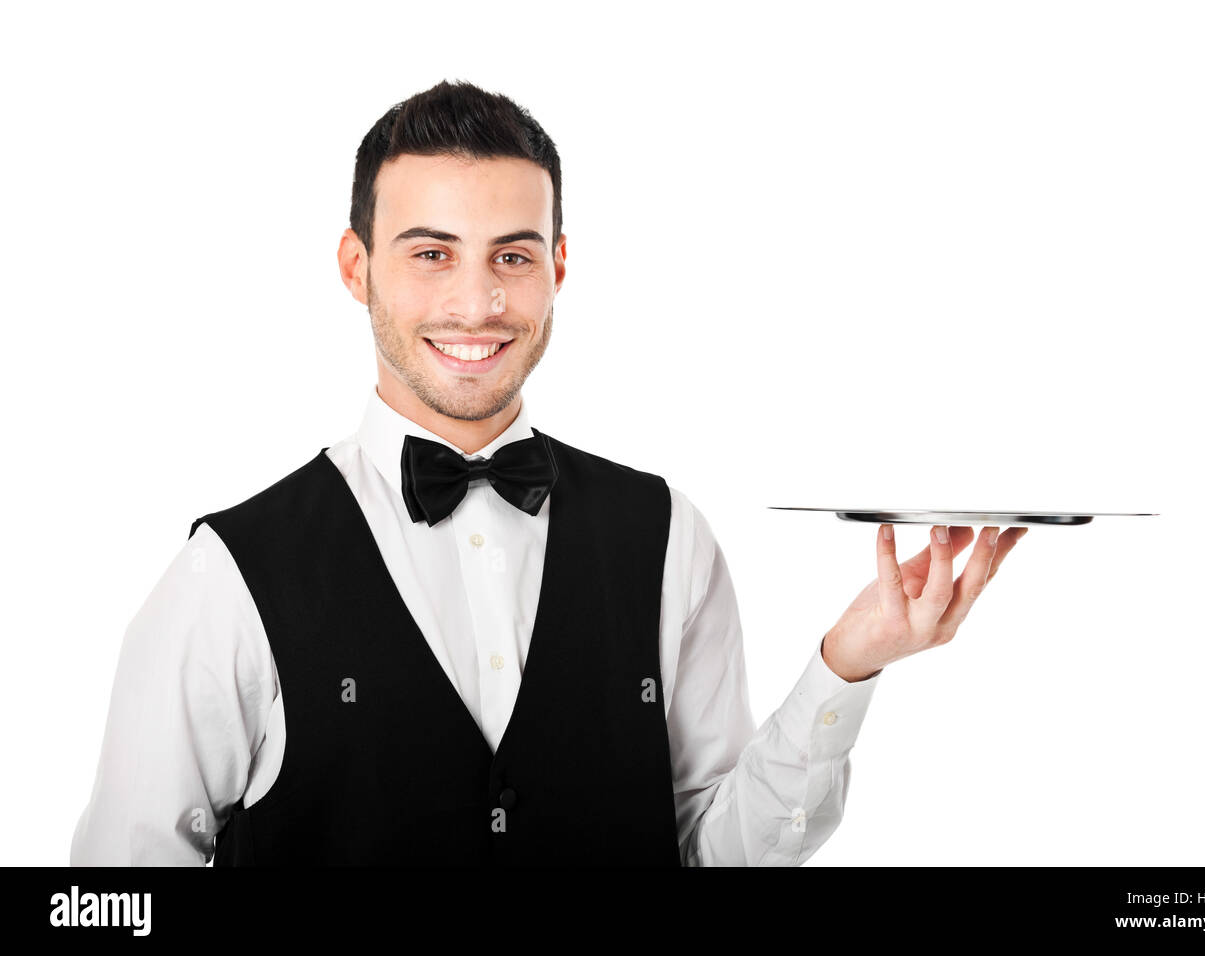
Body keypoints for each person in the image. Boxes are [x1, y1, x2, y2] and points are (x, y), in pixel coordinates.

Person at [70, 79, 1026, 866]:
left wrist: (846, 664)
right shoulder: (229, 574)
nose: (477, 301)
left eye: (512, 256)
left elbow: (713, 853)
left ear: (559, 266)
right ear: (356, 268)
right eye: (431, 254)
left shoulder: (668, 537)